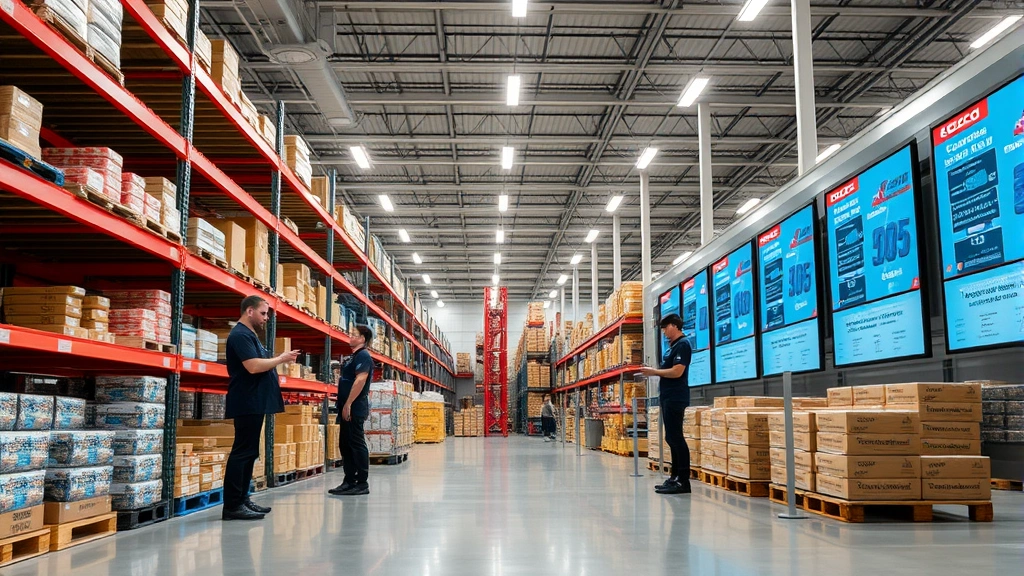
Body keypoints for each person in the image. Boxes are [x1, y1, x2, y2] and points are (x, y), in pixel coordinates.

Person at [223, 295, 300, 520]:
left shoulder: (250, 335)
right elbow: (254, 366)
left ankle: (242, 498)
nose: (266, 318)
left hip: (254, 401)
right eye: (263, 313)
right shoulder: (239, 335)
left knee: (249, 452)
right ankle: (232, 505)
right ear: (249, 311)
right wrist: (281, 358)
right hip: (247, 400)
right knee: (242, 452)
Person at [640, 313, 692, 495]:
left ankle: (683, 481)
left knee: (676, 437)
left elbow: (677, 372)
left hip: (676, 397)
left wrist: (654, 371)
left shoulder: (683, 345)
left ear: (674, 326)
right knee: (671, 437)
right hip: (668, 396)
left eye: (665, 328)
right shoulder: (673, 347)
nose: (663, 332)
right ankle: (674, 477)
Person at [328, 324, 375, 496]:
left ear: (363, 338)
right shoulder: (353, 357)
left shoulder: (363, 356)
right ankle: (349, 480)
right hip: (346, 406)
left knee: (356, 444)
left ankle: (361, 483)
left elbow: (360, 380)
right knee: (345, 444)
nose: (350, 336)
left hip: (354, 406)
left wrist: (348, 404)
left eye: (354, 334)